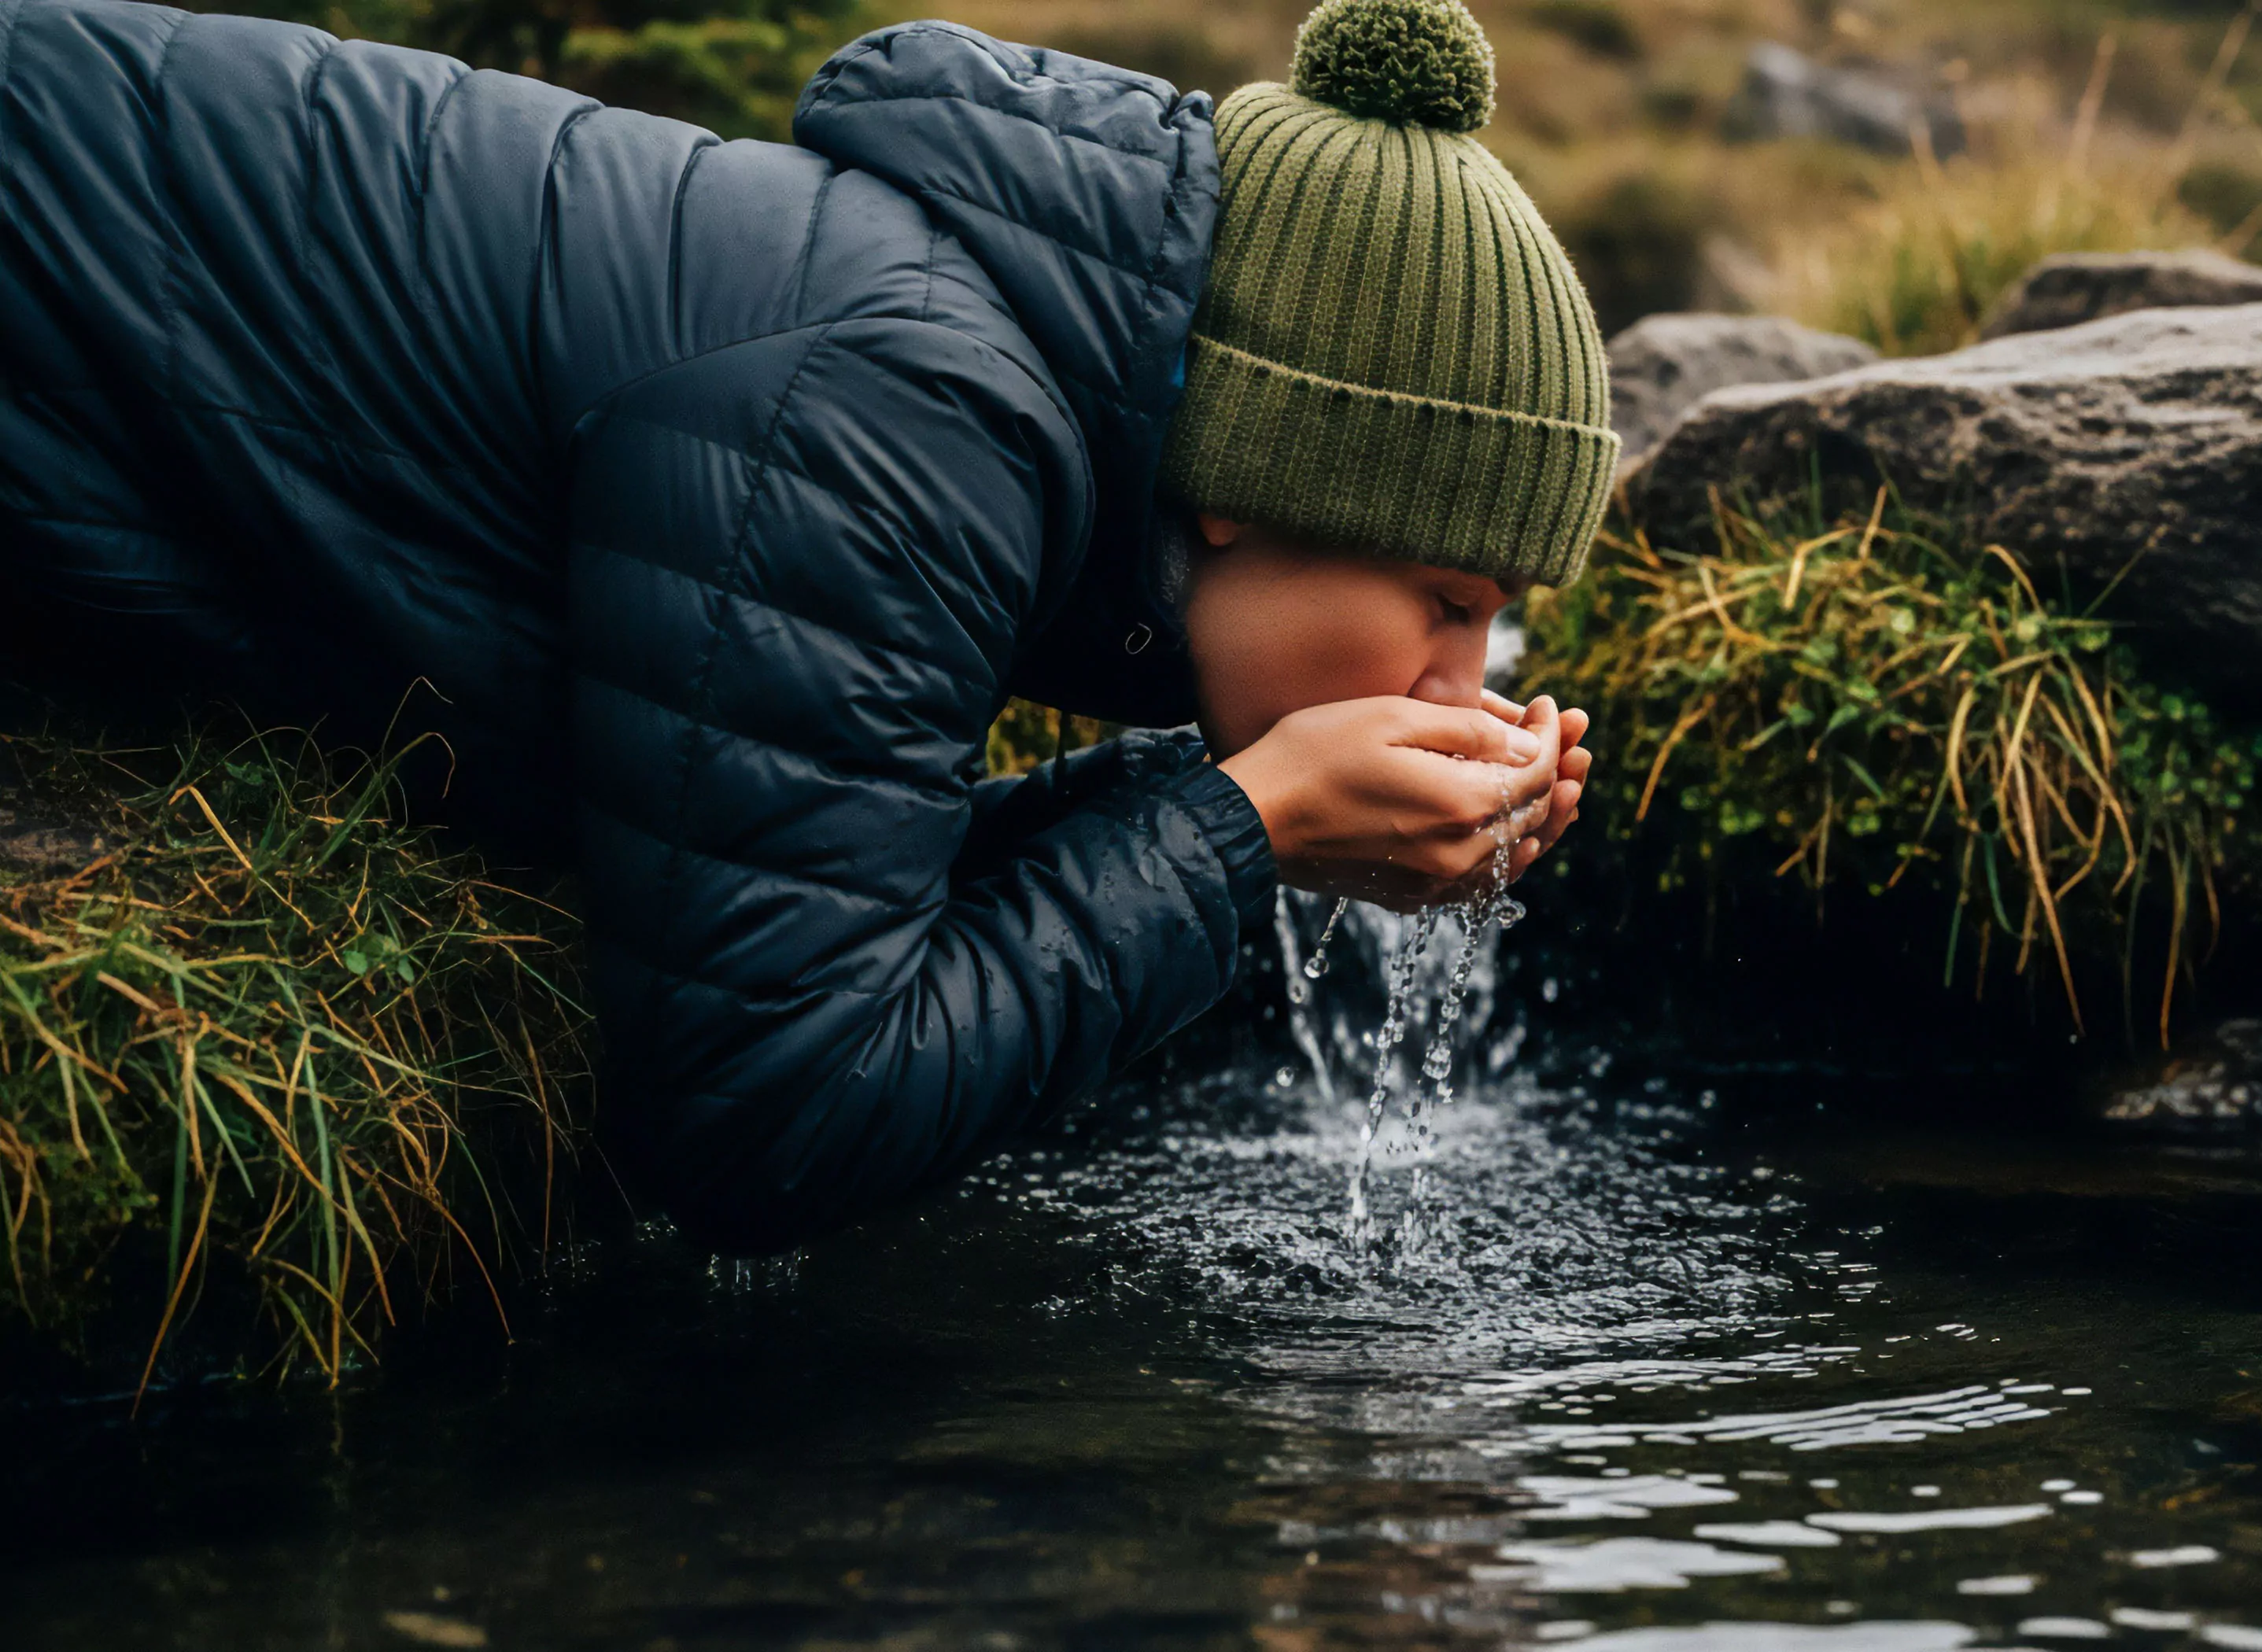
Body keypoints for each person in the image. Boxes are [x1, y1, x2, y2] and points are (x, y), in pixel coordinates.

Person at [0, 0, 1612, 1251]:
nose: (1457, 685)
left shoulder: (960, 381)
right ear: (1250, 482)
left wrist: (1253, 825)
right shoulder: (902, 419)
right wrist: (1242, 822)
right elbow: (765, 1114)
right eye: (1448, 602)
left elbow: (786, 858)